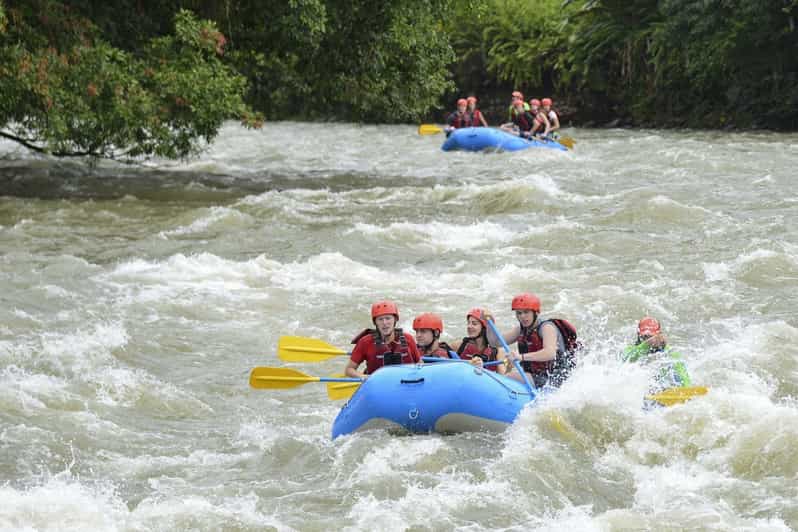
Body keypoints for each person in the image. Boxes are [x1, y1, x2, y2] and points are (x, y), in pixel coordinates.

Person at [487, 293, 578, 388]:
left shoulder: (547, 327)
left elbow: (550, 353)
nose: (522, 316)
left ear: (536, 313)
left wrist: (520, 357)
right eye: (519, 313)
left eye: (526, 312)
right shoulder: (521, 329)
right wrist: (489, 325)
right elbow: (495, 343)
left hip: (555, 378)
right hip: (536, 376)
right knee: (512, 375)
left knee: (511, 376)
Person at [344, 300, 422, 380]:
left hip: (405, 384)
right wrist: (365, 377)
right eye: (380, 319)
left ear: (395, 320)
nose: (384, 323)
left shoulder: (408, 339)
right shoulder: (365, 342)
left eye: (388, 318)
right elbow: (349, 370)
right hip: (378, 385)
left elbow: (420, 366)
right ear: (375, 322)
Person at [622, 317, 691, 390]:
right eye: (645, 337)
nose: (648, 339)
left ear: (659, 335)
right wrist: (647, 345)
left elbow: (682, 373)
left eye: (651, 336)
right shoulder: (630, 350)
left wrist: (687, 389)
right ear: (639, 335)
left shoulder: (669, 352)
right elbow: (627, 359)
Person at [449, 308, 507, 374]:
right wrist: (468, 363)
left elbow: (503, 376)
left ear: (484, 328)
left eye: (474, 324)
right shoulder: (459, 345)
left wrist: (509, 367)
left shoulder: (497, 351)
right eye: (468, 323)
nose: (469, 326)